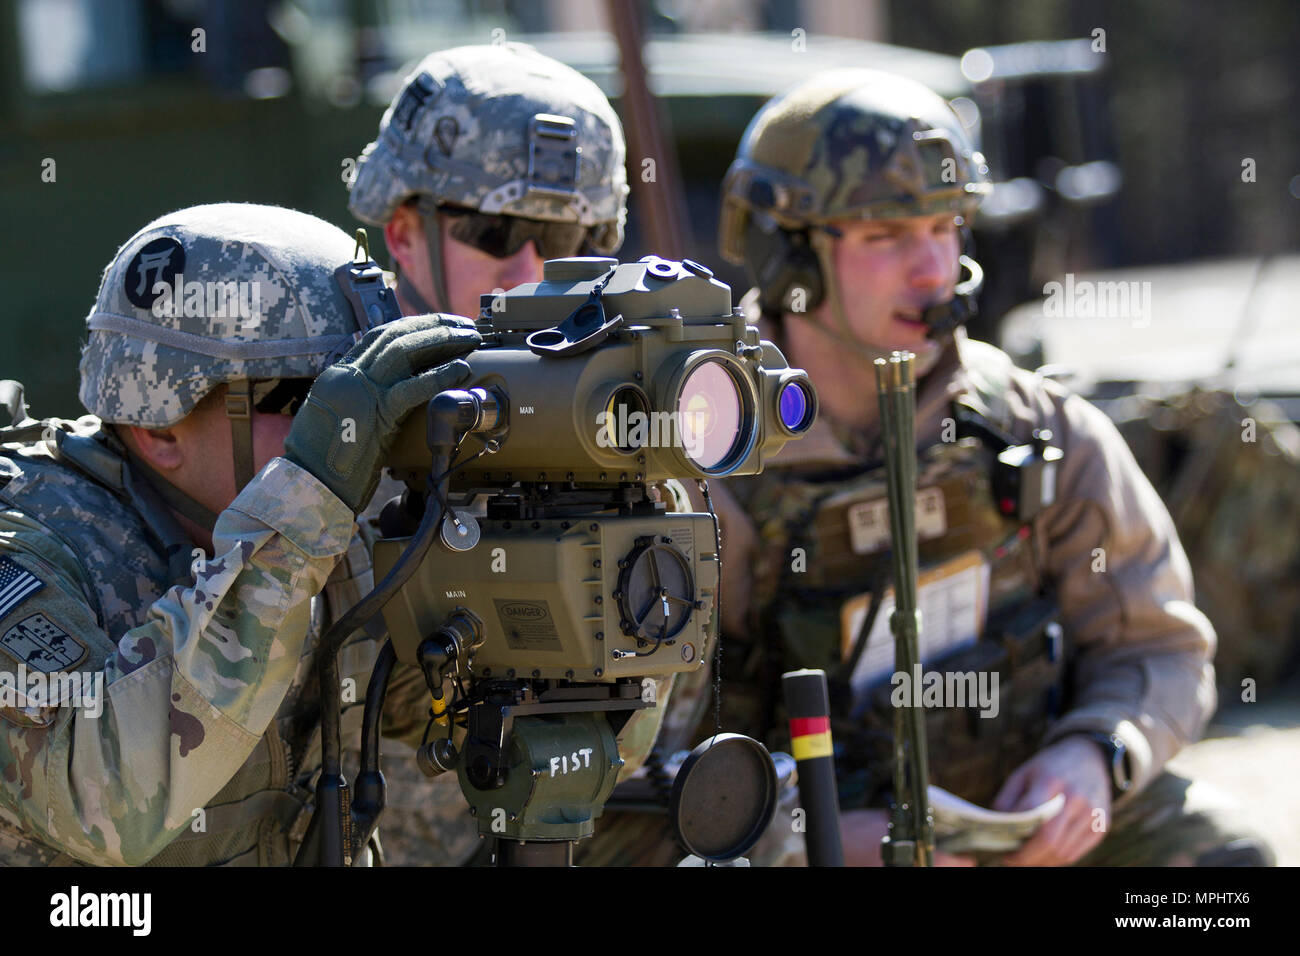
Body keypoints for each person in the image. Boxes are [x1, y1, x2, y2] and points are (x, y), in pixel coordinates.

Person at [709, 68, 1274, 866]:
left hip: (1018, 829)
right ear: (788, 259)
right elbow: (650, 770)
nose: (934, 269)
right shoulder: (705, 468)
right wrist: (803, 836)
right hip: (804, 847)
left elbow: (1158, 649)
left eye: (947, 227)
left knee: (1220, 865)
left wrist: (1096, 756)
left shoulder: (1037, 427)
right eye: (887, 236)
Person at [0, 202, 480, 865]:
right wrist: (306, 503)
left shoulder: (332, 535)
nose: (356, 432)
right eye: (311, 400)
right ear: (160, 425)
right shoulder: (31, 543)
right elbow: (103, 804)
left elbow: (471, 717)